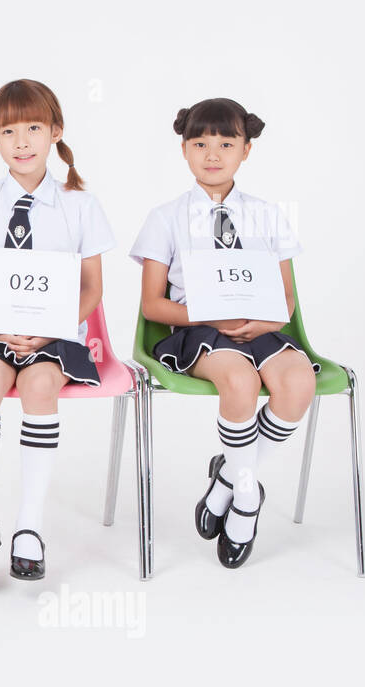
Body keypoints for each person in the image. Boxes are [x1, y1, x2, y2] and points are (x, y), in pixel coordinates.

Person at [129, 97, 318, 568]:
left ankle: (229, 477)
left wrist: (270, 321)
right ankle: (248, 497)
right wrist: (205, 313)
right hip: (199, 331)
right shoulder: (165, 217)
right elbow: (153, 303)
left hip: (260, 328)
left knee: (299, 382)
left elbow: (287, 296)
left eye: (226, 143)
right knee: (239, 381)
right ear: (184, 149)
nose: (212, 154)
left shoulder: (268, 215)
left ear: (246, 150)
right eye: (200, 143)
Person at [0, 79, 114, 580]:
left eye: (34, 128)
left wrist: (48, 331)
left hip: (55, 337)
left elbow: (92, 290)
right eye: (8, 130)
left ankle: (30, 525)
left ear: (55, 132)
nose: (22, 142)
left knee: (40, 385)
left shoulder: (81, 205)